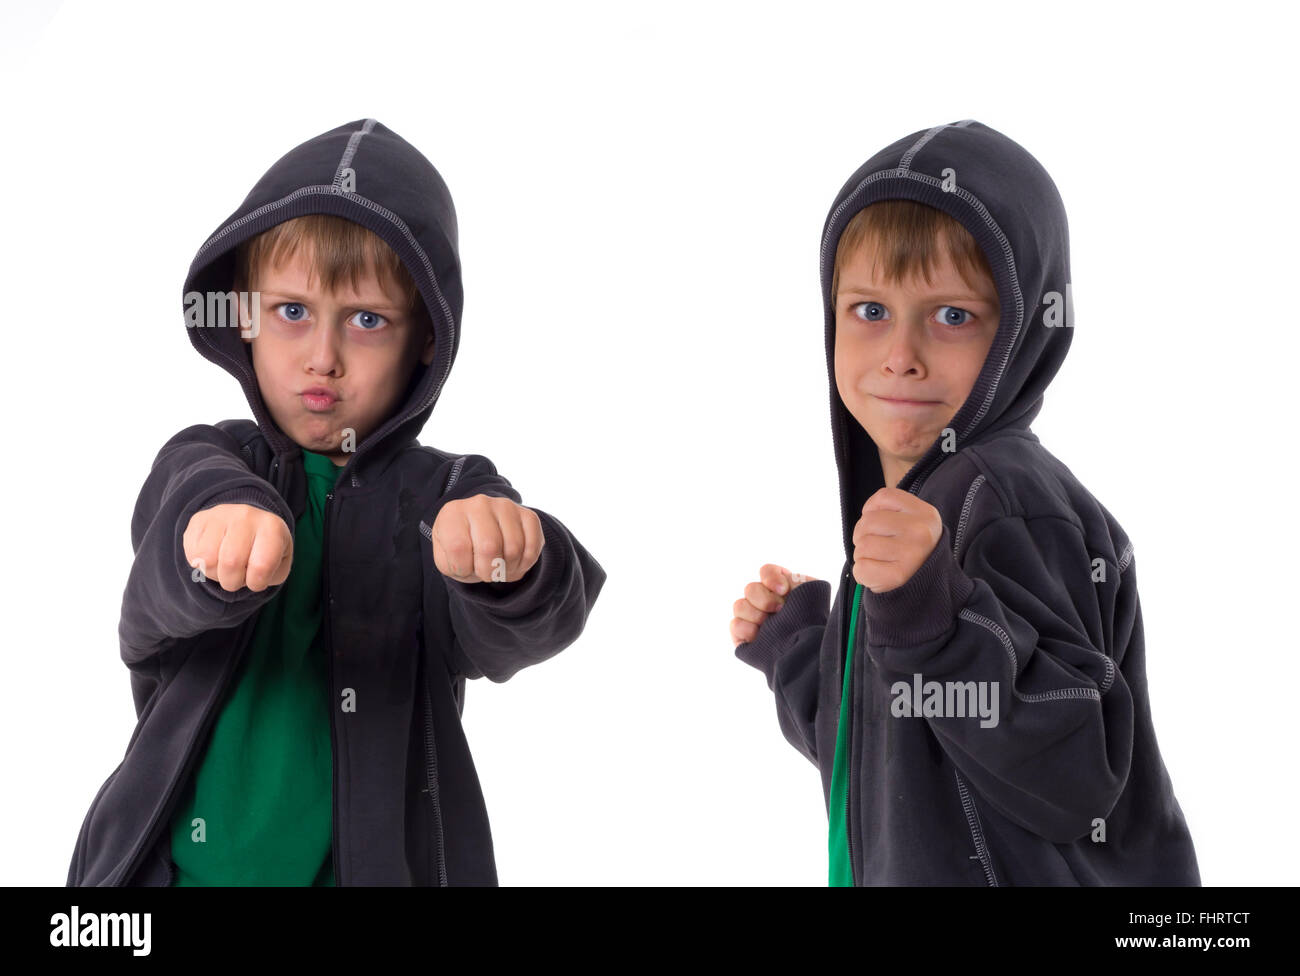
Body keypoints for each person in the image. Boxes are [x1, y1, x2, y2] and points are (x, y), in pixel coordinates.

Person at [67, 118, 606, 886]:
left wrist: (510, 562)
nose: (323, 355)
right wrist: (212, 536)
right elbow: (154, 591)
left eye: (366, 320)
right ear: (244, 315)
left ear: (425, 338)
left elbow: (527, 627)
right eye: (291, 311)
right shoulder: (205, 462)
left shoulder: (448, 494)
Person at [732, 119, 1198, 885]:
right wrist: (803, 651)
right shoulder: (912, 513)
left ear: (1021, 331)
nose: (901, 355)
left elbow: (1075, 772)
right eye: (870, 311)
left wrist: (930, 614)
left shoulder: (1006, 501)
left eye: (952, 315)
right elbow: (904, 744)